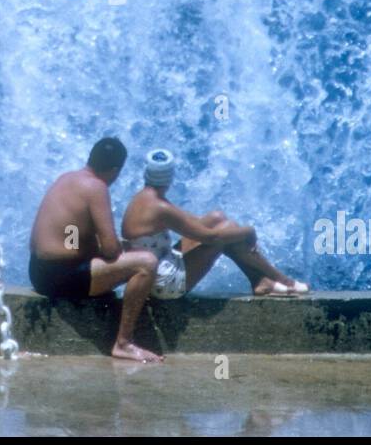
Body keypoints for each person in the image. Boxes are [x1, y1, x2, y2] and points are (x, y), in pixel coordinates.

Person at [28, 136, 164, 363]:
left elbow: (69, 236)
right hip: (59, 277)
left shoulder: (67, 178)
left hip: (38, 271)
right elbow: (111, 250)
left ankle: (122, 338)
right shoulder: (96, 187)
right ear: (115, 170)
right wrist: (117, 250)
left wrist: (93, 247)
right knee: (146, 263)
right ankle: (124, 343)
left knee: (120, 260)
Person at [121, 148, 309, 301]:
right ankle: (281, 279)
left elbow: (192, 222)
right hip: (163, 284)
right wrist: (248, 231)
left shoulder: (144, 199)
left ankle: (261, 281)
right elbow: (211, 237)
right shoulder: (159, 207)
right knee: (225, 233)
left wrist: (229, 228)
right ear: (170, 177)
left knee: (217, 218)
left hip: (159, 268)